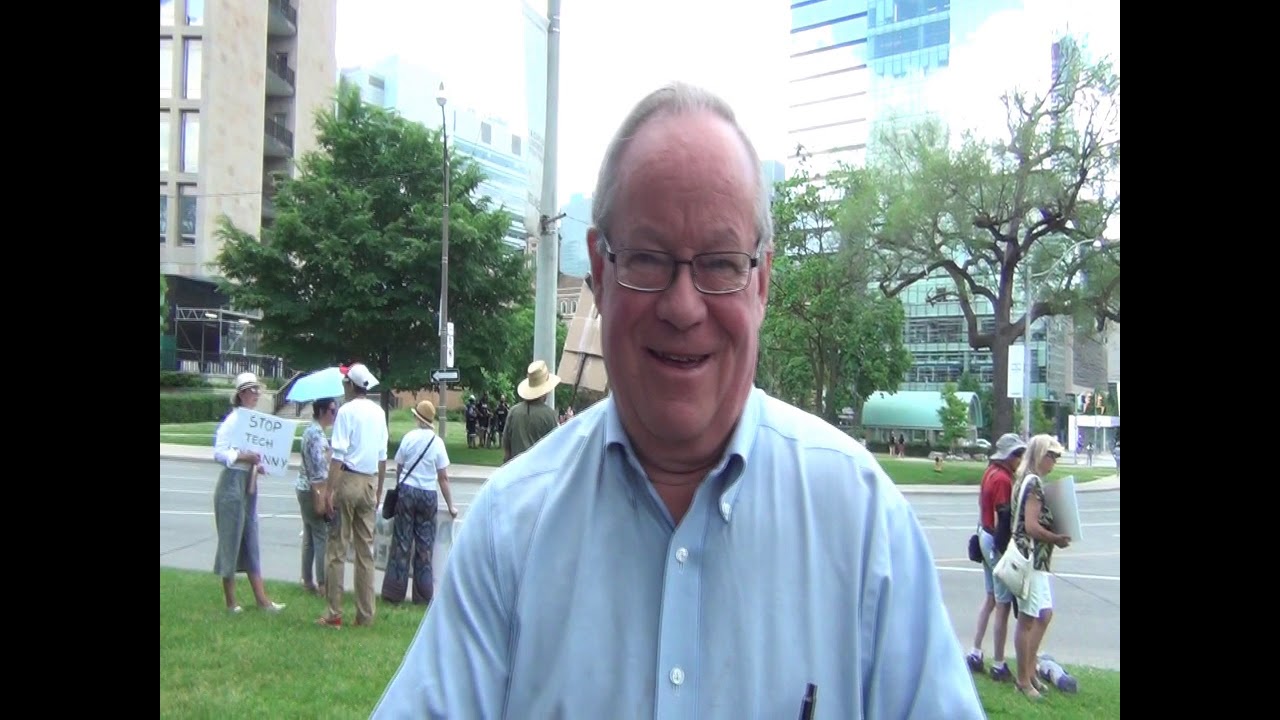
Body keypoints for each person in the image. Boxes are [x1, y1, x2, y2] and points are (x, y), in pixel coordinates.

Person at [372, 82, 982, 718]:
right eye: (648, 259)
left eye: (719, 264)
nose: (684, 307)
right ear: (600, 275)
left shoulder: (862, 524)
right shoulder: (509, 531)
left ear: (762, 282)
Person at [315, 363, 388, 628]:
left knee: (337, 549)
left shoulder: (346, 412)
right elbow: (382, 456)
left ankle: (334, 612)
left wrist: (329, 491)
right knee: (364, 551)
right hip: (369, 481)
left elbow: (338, 455)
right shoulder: (379, 413)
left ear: (350, 385)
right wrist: (378, 488)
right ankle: (365, 613)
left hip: (348, 478)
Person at [211, 372, 285, 614]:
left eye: (257, 390)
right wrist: (245, 457)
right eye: (251, 390)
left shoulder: (252, 420)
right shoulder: (233, 421)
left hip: (248, 483)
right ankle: (231, 602)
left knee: (250, 539)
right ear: (241, 394)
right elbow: (220, 453)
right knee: (230, 540)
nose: (256, 395)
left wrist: (259, 464)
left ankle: (262, 599)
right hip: (232, 484)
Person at [1011, 434, 1071, 700]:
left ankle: (1031, 669)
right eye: (1052, 456)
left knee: (1044, 614)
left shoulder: (1029, 480)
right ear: (1040, 456)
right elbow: (1032, 526)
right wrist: (1056, 538)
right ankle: (1023, 680)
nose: (1054, 462)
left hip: (1036, 559)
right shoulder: (1033, 484)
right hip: (1030, 558)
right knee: (1027, 619)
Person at [381, 400, 459, 605]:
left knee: (401, 542)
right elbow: (443, 477)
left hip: (407, 492)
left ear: (418, 418)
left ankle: (393, 592)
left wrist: (401, 485)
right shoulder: (438, 443)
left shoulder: (409, 438)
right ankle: (423, 595)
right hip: (427, 494)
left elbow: (399, 467)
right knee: (425, 546)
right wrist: (450, 505)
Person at [965, 432, 1025, 681]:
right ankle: (999, 664)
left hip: (983, 533)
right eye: (1018, 455)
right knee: (1002, 604)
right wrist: (1007, 550)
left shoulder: (989, 472)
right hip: (995, 540)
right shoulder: (1003, 479)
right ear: (1009, 456)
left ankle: (976, 652)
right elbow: (1003, 519)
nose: (1021, 459)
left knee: (990, 598)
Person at [296, 397, 338, 595]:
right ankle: (322, 584)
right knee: (320, 534)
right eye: (332, 410)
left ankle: (307, 579)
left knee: (310, 536)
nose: (334, 414)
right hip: (314, 489)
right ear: (321, 411)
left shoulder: (314, 432)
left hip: (306, 486)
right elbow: (320, 468)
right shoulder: (315, 435)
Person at [500, 360, 561, 462]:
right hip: (538, 472)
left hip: (516, 470)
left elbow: (507, 448)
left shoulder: (513, 412)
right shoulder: (549, 415)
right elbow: (555, 449)